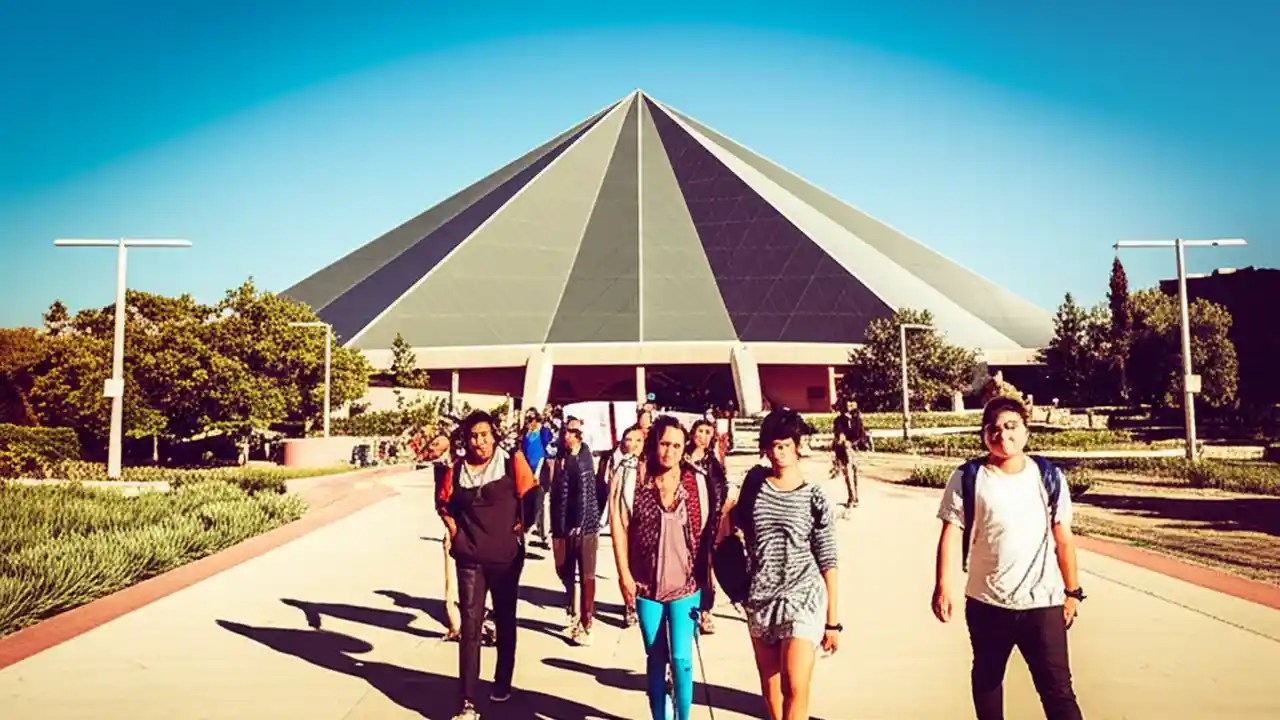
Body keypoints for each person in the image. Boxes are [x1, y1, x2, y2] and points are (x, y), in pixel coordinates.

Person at [932, 396, 1085, 720]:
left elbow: (1064, 540)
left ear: (1026, 430)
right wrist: (943, 586)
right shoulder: (968, 478)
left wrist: (1072, 592)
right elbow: (950, 533)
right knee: (987, 681)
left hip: (1042, 604)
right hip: (987, 602)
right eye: (993, 429)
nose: (1002, 435)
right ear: (984, 434)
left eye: (1011, 426)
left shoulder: (1049, 477)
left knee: (1058, 691)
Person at [717, 409, 840, 720]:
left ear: (797, 445)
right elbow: (728, 528)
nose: (779, 452)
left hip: (804, 595)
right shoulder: (755, 487)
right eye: (773, 445)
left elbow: (828, 559)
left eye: (785, 444)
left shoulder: (815, 497)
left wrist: (832, 621)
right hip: (760, 596)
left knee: (794, 684)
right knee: (770, 684)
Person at [611, 415, 716, 720]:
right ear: (654, 443)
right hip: (646, 586)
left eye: (676, 445)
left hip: (686, 586)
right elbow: (620, 525)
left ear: (685, 448)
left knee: (682, 658)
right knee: (655, 658)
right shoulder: (634, 478)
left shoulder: (695, 481)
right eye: (664, 443)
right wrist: (624, 576)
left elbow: (708, 528)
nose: (669, 451)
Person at [436, 411, 540, 720]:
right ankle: (467, 700)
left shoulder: (511, 462)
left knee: (506, 619)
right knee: (470, 625)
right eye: (473, 436)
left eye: (484, 435)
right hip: (469, 559)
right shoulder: (456, 470)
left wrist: (523, 525)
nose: (479, 441)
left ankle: (502, 682)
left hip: (506, 558)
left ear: (493, 436)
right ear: (466, 439)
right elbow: (443, 502)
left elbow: (532, 494)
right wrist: (454, 531)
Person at [551, 426, 603, 645]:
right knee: (563, 568)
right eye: (565, 433)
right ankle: (571, 610)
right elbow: (556, 493)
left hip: (584, 527)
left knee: (586, 574)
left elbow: (584, 494)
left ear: (579, 436)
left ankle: (586, 620)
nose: (567, 437)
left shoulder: (582, 459)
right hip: (562, 525)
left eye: (571, 433)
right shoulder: (562, 457)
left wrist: (579, 524)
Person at [687, 418, 728, 634]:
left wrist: (717, 522)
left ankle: (706, 611)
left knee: (705, 569)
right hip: (684, 523)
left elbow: (721, 492)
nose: (703, 436)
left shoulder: (712, 464)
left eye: (708, 432)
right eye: (700, 431)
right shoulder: (682, 460)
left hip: (707, 525)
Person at [604, 423, 645, 626]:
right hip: (623, 520)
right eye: (629, 440)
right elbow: (612, 496)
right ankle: (629, 605)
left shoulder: (648, 467)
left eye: (638, 440)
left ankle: (640, 601)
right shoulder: (619, 466)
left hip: (643, 524)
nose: (634, 444)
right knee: (624, 563)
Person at [521, 409, 554, 546]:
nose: (529, 422)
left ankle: (545, 534)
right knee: (529, 501)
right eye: (527, 419)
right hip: (528, 472)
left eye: (531, 419)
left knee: (543, 503)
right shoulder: (525, 434)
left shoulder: (543, 432)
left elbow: (550, 445)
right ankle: (528, 529)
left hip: (541, 471)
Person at [831, 400, 868, 507]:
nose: (851, 406)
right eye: (849, 404)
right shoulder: (838, 420)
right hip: (844, 450)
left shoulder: (857, 420)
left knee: (854, 473)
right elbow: (839, 434)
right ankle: (852, 496)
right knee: (848, 473)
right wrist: (843, 441)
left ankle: (855, 495)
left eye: (853, 404)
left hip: (855, 449)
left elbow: (861, 434)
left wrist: (856, 443)